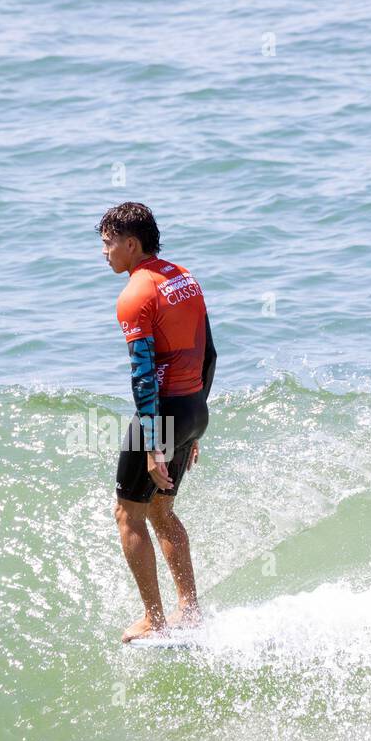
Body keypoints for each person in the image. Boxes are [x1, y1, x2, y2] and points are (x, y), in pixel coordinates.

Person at [96, 202, 217, 642]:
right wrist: (194, 423)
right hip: (191, 408)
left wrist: (151, 445)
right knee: (162, 511)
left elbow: (143, 378)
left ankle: (154, 618)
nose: (105, 253)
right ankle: (190, 608)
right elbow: (209, 351)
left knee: (127, 513)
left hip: (162, 413)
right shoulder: (184, 277)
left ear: (132, 244)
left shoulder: (135, 295)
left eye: (108, 244)